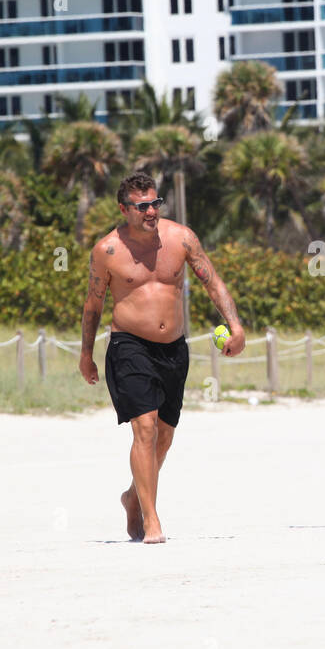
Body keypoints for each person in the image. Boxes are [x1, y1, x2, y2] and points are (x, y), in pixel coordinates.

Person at [78, 172, 246, 545]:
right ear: (124, 209)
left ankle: (135, 498)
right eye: (142, 206)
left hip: (173, 348)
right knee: (146, 428)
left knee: (164, 438)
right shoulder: (107, 251)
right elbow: (94, 304)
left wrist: (235, 325)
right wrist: (86, 354)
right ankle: (153, 521)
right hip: (128, 346)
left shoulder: (181, 238)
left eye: (155, 203)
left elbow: (212, 281)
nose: (151, 211)